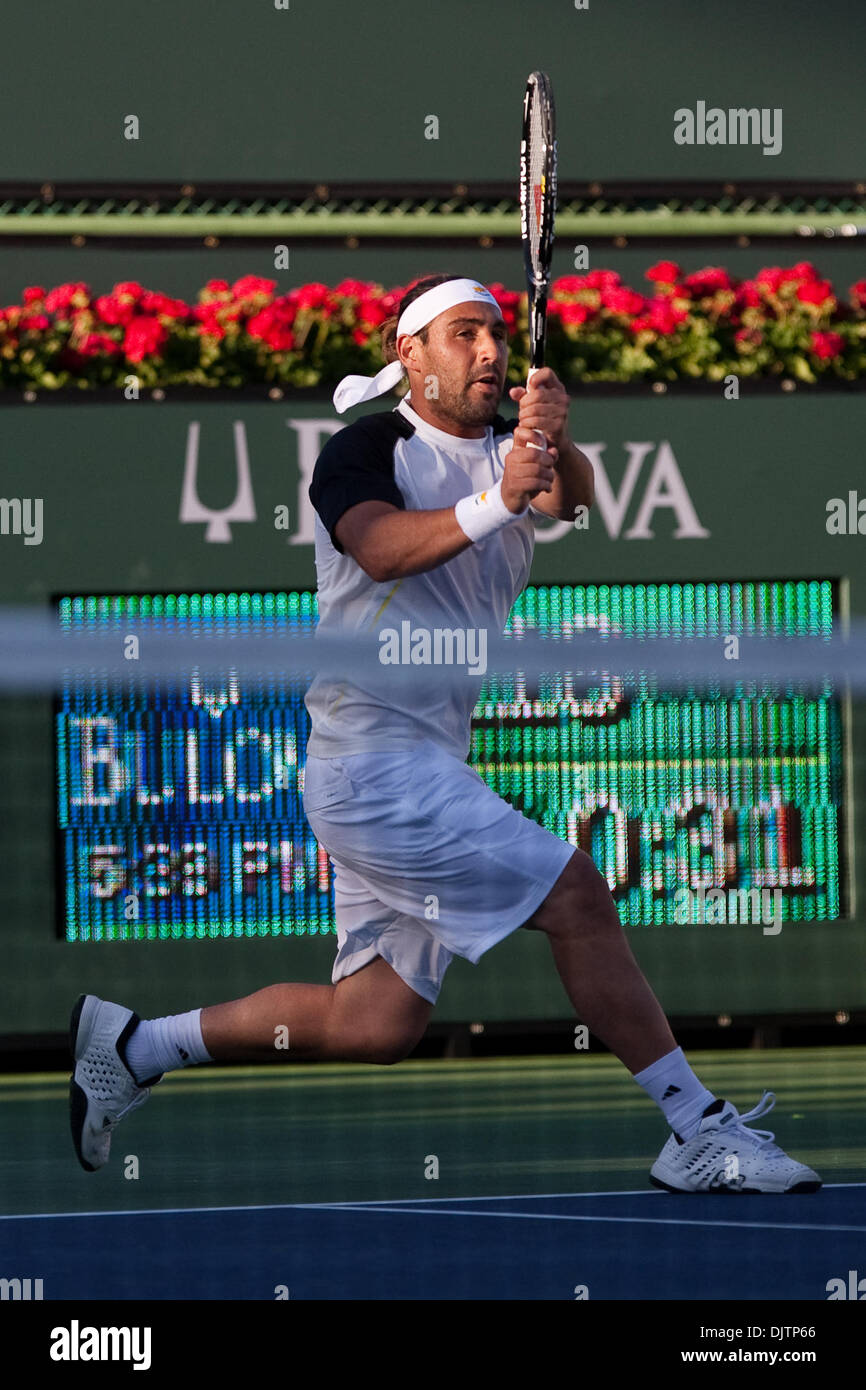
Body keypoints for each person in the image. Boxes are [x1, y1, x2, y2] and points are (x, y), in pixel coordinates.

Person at [70, 273, 820, 1194]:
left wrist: (553, 436)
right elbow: (380, 546)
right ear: (410, 352)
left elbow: (573, 500)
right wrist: (500, 497)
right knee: (579, 899)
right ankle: (695, 1128)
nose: (490, 350)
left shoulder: (510, 444)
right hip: (372, 773)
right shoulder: (363, 449)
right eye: (464, 333)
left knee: (373, 1022)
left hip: (415, 769)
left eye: (497, 334)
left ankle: (136, 1046)